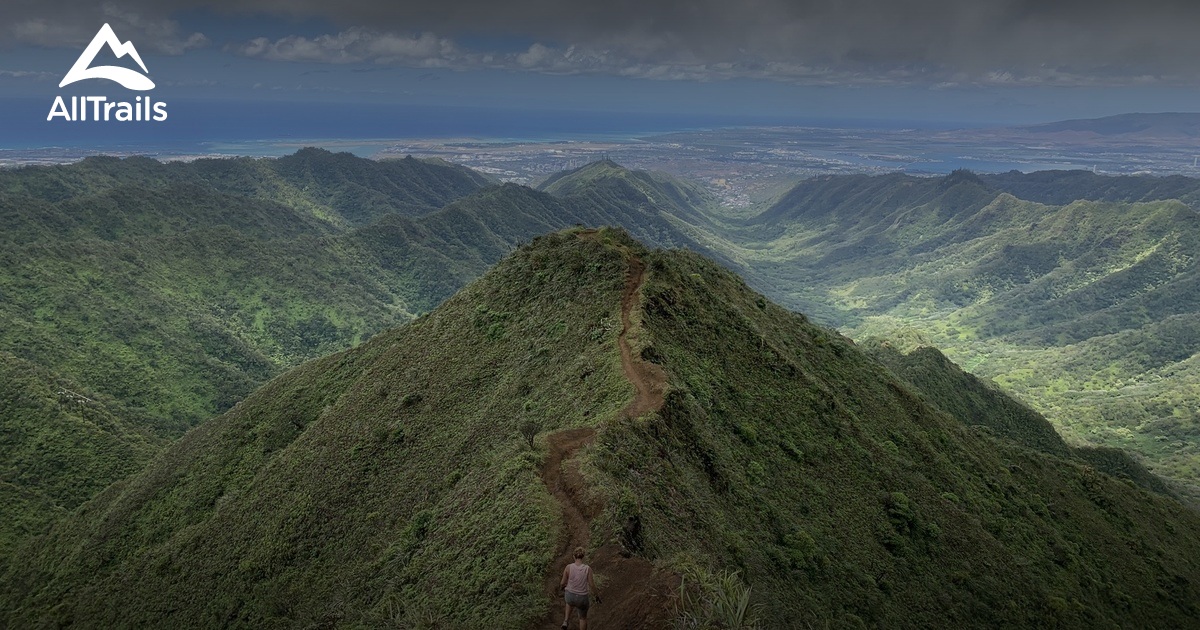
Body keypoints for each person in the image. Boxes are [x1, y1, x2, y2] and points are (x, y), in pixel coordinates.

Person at [560, 546, 600, 629]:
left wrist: (562, 588)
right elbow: (592, 585)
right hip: (582, 598)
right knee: (582, 618)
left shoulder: (568, 567)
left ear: (574, 556)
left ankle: (566, 621)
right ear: (583, 557)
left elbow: (563, 582)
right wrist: (597, 596)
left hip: (570, 595)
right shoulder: (587, 569)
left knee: (569, 603)